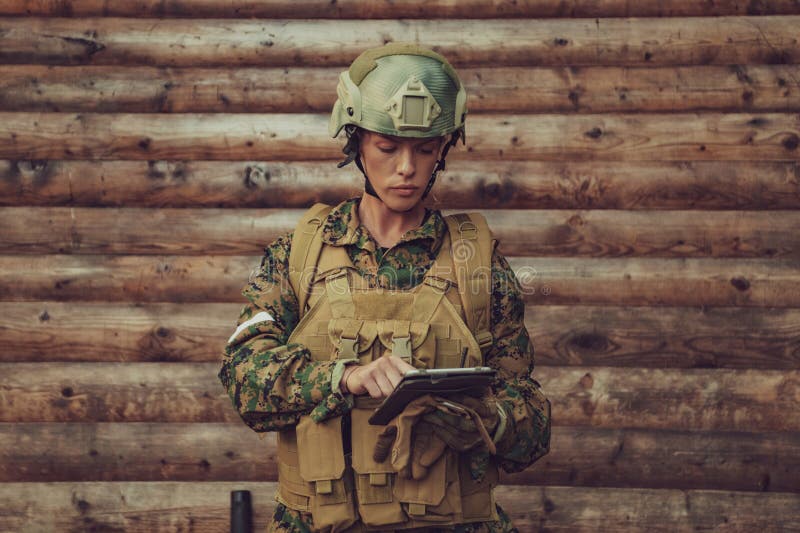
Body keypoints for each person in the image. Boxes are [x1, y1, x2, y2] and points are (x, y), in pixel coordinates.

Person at [218, 43, 551, 533]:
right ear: (356, 143)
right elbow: (242, 377)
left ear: (443, 150)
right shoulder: (299, 255)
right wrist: (342, 378)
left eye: (425, 149)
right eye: (387, 147)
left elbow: (533, 422)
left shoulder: (477, 265)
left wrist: (488, 421)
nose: (406, 167)